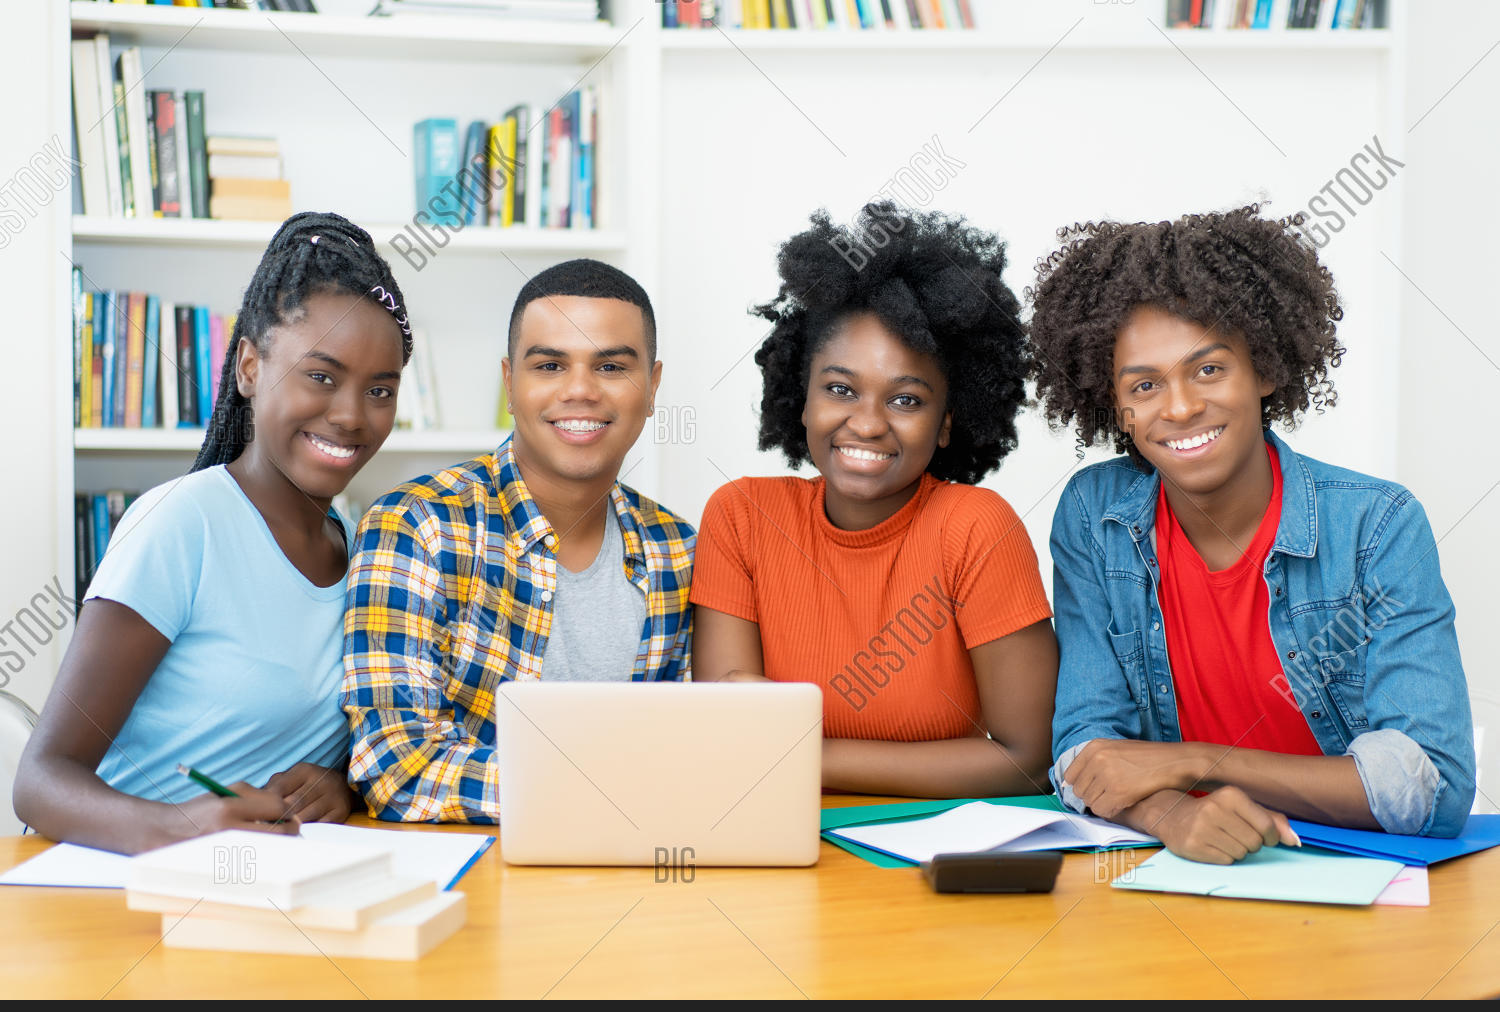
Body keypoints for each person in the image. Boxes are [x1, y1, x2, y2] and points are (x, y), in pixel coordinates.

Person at [1029, 204, 1476, 864]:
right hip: (1185, 871)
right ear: (1114, 406)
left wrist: (1196, 765)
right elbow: (1085, 749)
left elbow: (1429, 787)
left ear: (1264, 369)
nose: (1179, 407)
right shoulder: (1096, 519)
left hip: (1355, 880)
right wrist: (1172, 815)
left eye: (1209, 370)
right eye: (1145, 385)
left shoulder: (1375, 525)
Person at [14, 212, 412, 853]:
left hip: (269, 897)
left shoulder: (365, 549)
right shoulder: (180, 526)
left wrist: (340, 785)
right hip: (123, 898)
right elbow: (40, 781)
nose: (351, 414)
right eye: (321, 376)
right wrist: (181, 829)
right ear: (250, 367)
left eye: (381, 389)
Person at [690, 203, 1058, 798]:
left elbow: (1027, 759)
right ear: (801, 398)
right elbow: (730, 736)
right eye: (840, 389)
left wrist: (807, 758)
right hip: (781, 838)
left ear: (946, 423)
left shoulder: (975, 528)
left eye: (906, 400)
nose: (866, 424)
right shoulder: (743, 517)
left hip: (936, 852)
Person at [343, 258, 694, 822]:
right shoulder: (415, 526)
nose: (580, 391)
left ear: (652, 387)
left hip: (637, 865)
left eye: (610, 367)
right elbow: (397, 764)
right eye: (550, 365)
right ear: (510, 383)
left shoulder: (679, 550)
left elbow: (701, 747)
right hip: (474, 879)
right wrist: (604, 792)